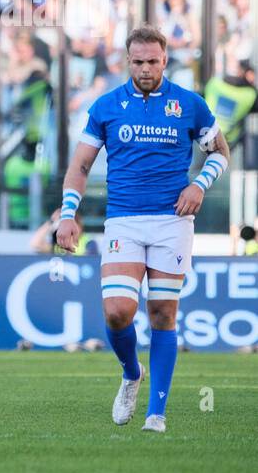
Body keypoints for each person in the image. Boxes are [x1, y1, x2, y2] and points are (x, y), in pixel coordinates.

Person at [56, 25, 230, 433]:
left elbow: (221, 152)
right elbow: (80, 166)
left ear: (165, 60)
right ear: (126, 62)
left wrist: (198, 184)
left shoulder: (190, 105)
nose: (147, 68)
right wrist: (68, 214)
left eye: (153, 61)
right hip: (124, 219)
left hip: (173, 220)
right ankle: (132, 373)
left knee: (163, 313)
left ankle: (156, 414)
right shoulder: (106, 107)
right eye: (139, 62)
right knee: (118, 313)